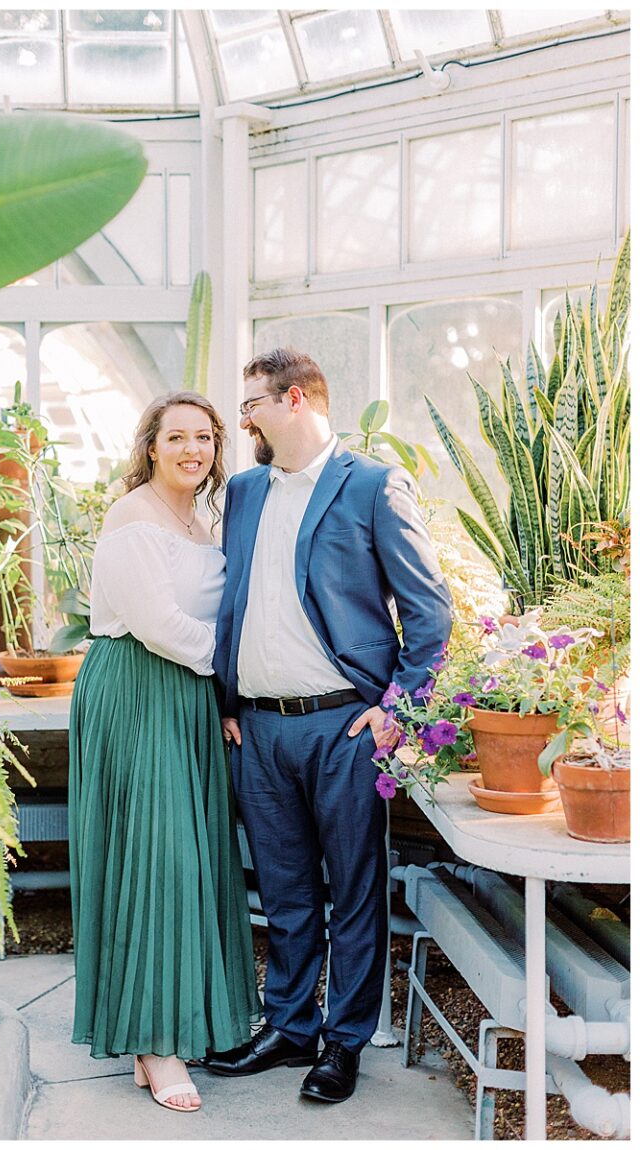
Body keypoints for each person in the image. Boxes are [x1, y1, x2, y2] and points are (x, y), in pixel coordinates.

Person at [204, 349, 451, 1103]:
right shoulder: (244, 492)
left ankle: (342, 1044)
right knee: (282, 894)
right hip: (260, 731)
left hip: (345, 727)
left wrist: (396, 707)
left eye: (254, 402)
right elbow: (232, 600)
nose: (242, 417)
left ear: (299, 397)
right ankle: (289, 1027)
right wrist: (226, 702)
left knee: (354, 888)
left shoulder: (373, 485)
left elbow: (431, 613)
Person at [68, 391, 261, 1114]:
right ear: (150, 446)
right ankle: (153, 1044)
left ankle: (173, 1024)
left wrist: (219, 701)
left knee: (193, 861)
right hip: (138, 691)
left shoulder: (206, 522)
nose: (193, 450)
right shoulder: (132, 517)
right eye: (176, 437)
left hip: (187, 697)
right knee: (156, 859)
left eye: (205, 438)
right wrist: (254, 668)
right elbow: (159, 624)